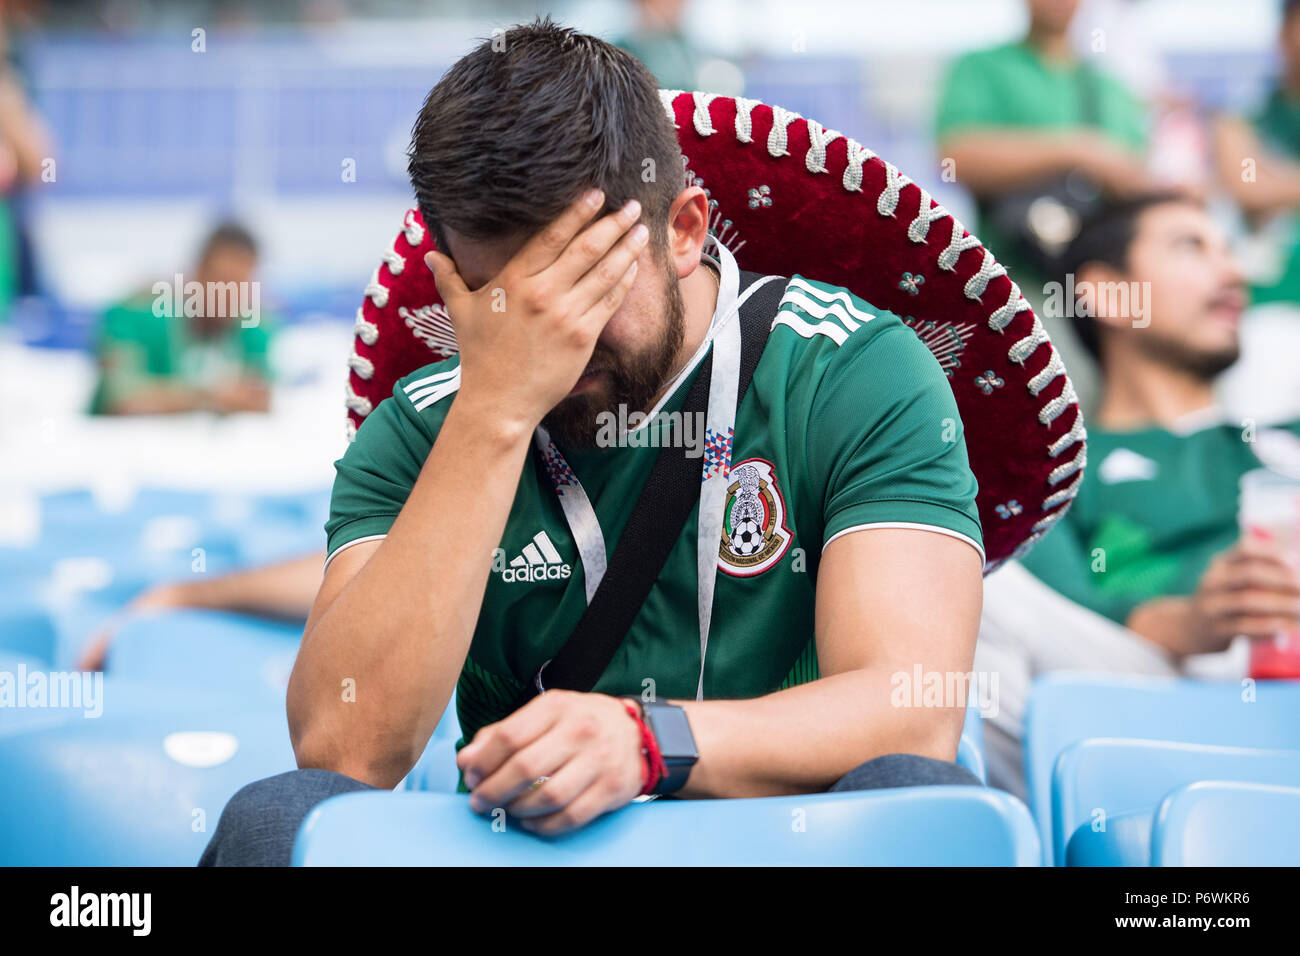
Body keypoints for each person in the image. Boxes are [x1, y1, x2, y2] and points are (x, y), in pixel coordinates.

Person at [200, 18, 985, 866]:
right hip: (525, 847)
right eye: (505, 301)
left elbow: (911, 710)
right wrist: (494, 413)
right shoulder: (422, 426)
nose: (554, 337)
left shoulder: (850, 370)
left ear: (682, 231)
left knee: (922, 802)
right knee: (279, 820)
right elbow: (344, 751)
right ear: (452, 284)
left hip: (774, 841)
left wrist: (647, 742)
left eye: (583, 285)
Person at [976, 194, 1300, 796]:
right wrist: (1197, 620)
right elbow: (1067, 626)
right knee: (971, 572)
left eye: (1230, 251)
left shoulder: (1282, 444)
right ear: (1108, 294)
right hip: (1137, 705)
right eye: (1192, 247)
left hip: (1283, 696)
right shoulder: (1047, 472)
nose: (1233, 274)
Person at [935, 0, 1156, 409]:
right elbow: (956, 156)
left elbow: (1137, 182)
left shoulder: (1109, 86)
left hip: (1101, 292)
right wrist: (1079, 150)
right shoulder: (983, 68)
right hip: (1020, 287)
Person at [89, 222, 274, 415]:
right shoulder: (137, 314)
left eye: (241, 286)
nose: (229, 296)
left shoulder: (253, 325)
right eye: (222, 282)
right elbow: (121, 399)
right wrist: (209, 397)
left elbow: (262, 395)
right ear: (196, 273)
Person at [1212, 0, 1300, 307]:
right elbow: (1249, 188)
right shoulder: (1243, 116)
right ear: (1283, 35)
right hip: (1270, 297)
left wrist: (1275, 176)